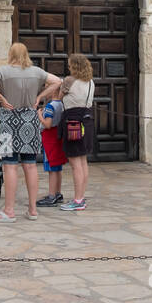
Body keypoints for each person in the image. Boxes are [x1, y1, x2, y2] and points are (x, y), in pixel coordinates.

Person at [0, 43, 60, 223]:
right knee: (30, 165)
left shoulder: (3, 71)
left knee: (10, 165)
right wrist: (40, 97)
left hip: (8, 122)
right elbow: (57, 81)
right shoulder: (37, 72)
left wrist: (0, 98)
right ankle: (32, 209)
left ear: (10, 54)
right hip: (30, 122)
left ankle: (9, 210)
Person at [56, 52, 96, 212]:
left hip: (72, 121)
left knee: (75, 164)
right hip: (87, 121)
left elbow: (59, 98)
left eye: (70, 64)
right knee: (82, 161)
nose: (68, 67)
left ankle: (78, 200)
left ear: (75, 66)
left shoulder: (69, 80)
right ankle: (81, 196)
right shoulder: (91, 82)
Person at [36, 84, 67, 207]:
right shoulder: (61, 104)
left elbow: (47, 124)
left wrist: (39, 115)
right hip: (58, 137)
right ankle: (58, 193)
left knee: (51, 168)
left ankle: (51, 196)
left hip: (50, 138)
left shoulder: (50, 107)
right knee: (57, 167)